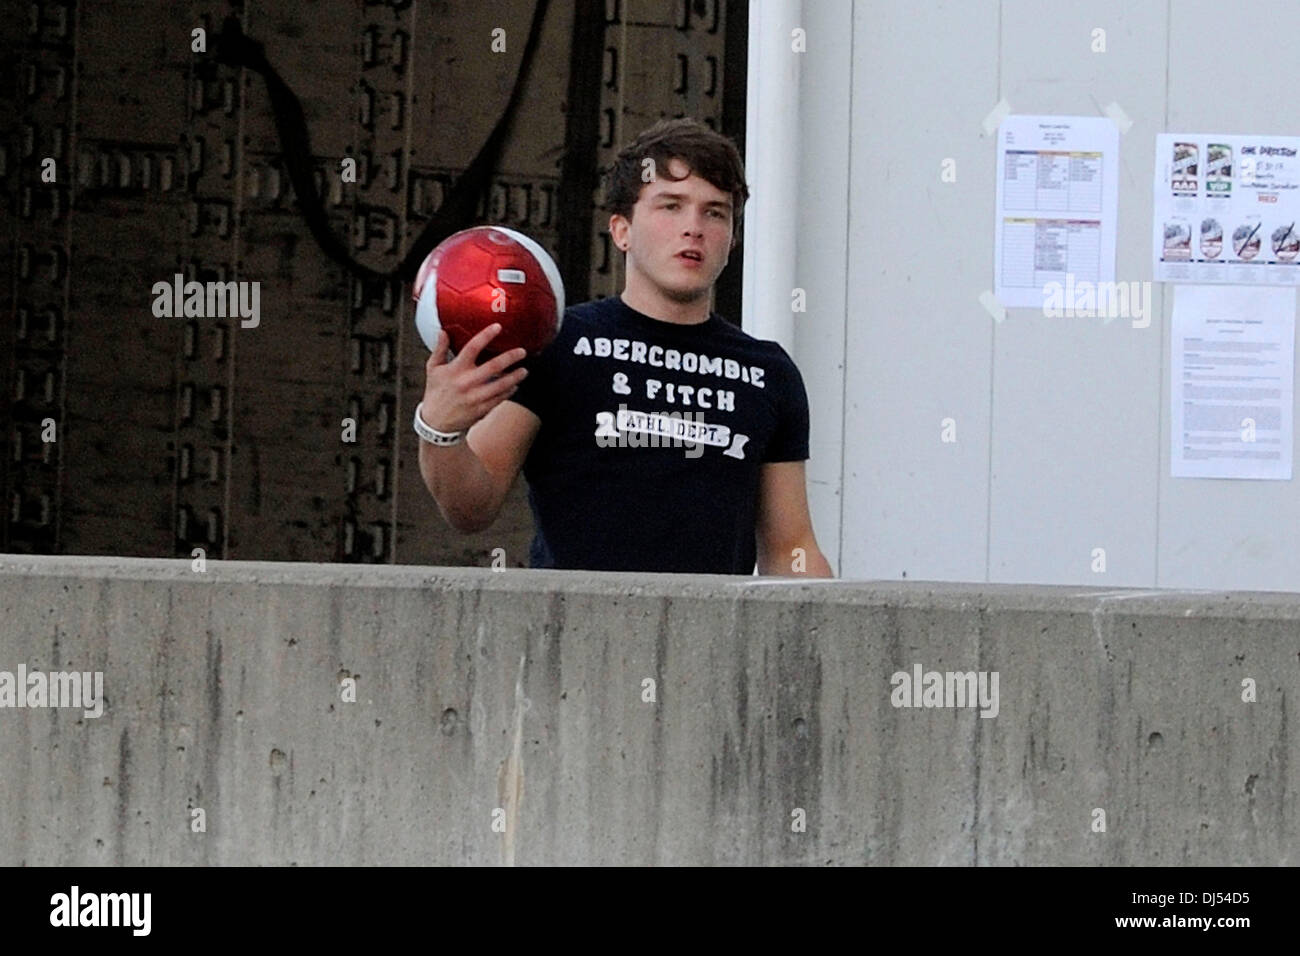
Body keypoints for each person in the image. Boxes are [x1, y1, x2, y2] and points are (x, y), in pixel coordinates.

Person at [416, 117, 833, 577]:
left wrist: (828, 636)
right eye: (670, 206)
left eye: (715, 212)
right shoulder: (559, 341)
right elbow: (472, 508)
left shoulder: (768, 371)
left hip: (714, 642)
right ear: (621, 230)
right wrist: (439, 430)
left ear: (732, 239)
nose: (693, 228)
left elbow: (791, 548)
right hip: (574, 637)